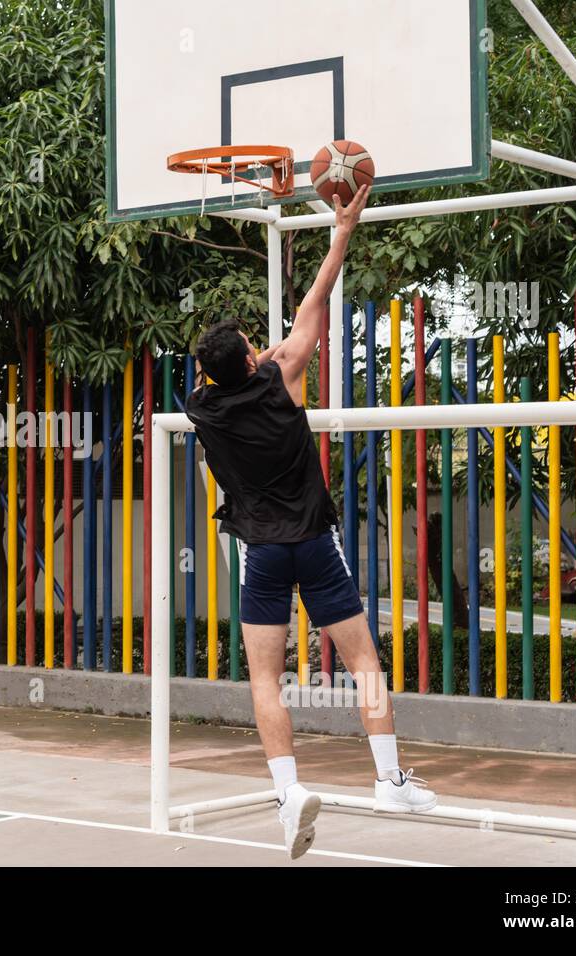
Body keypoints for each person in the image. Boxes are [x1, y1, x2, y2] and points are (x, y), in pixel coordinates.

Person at [185, 185, 436, 861]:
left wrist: (246, 363)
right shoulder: (284, 375)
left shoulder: (203, 408)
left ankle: (287, 793)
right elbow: (313, 307)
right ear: (253, 360)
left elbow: (219, 375)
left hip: (260, 554)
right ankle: (389, 780)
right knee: (362, 663)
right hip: (315, 545)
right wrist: (342, 228)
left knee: (265, 679)